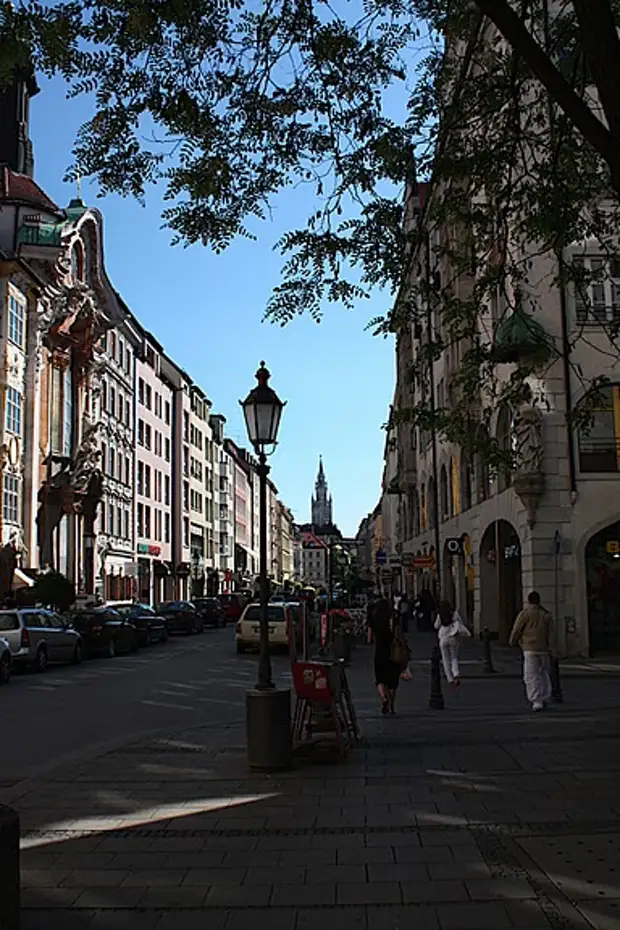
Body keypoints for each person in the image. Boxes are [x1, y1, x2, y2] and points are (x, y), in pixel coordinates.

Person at [509, 591, 552, 712]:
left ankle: (536, 700)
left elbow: (517, 629)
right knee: (544, 673)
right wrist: (552, 647)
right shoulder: (545, 614)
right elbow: (551, 633)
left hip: (529, 647)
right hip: (543, 648)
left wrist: (512, 641)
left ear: (528, 600)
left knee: (531, 675)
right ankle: (545, 696)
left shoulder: (525, 614)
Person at [367, 595, 401, 715]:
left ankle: (384, 698)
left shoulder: (373, 618)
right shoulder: (392, 617)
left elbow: (369, 639)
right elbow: (398, 633)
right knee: (393, 680)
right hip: (393, 652)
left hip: (379, 651)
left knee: (380, 679)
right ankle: (392, 706)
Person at [434, 599, 471, 686]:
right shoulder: (454, 614)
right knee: (454, 657)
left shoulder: (440, 615)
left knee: (445, 659)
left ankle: (449, 678)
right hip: (453, 637)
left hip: (443, 638)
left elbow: (436, 626)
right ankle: (456, 673)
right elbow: (461, 623)